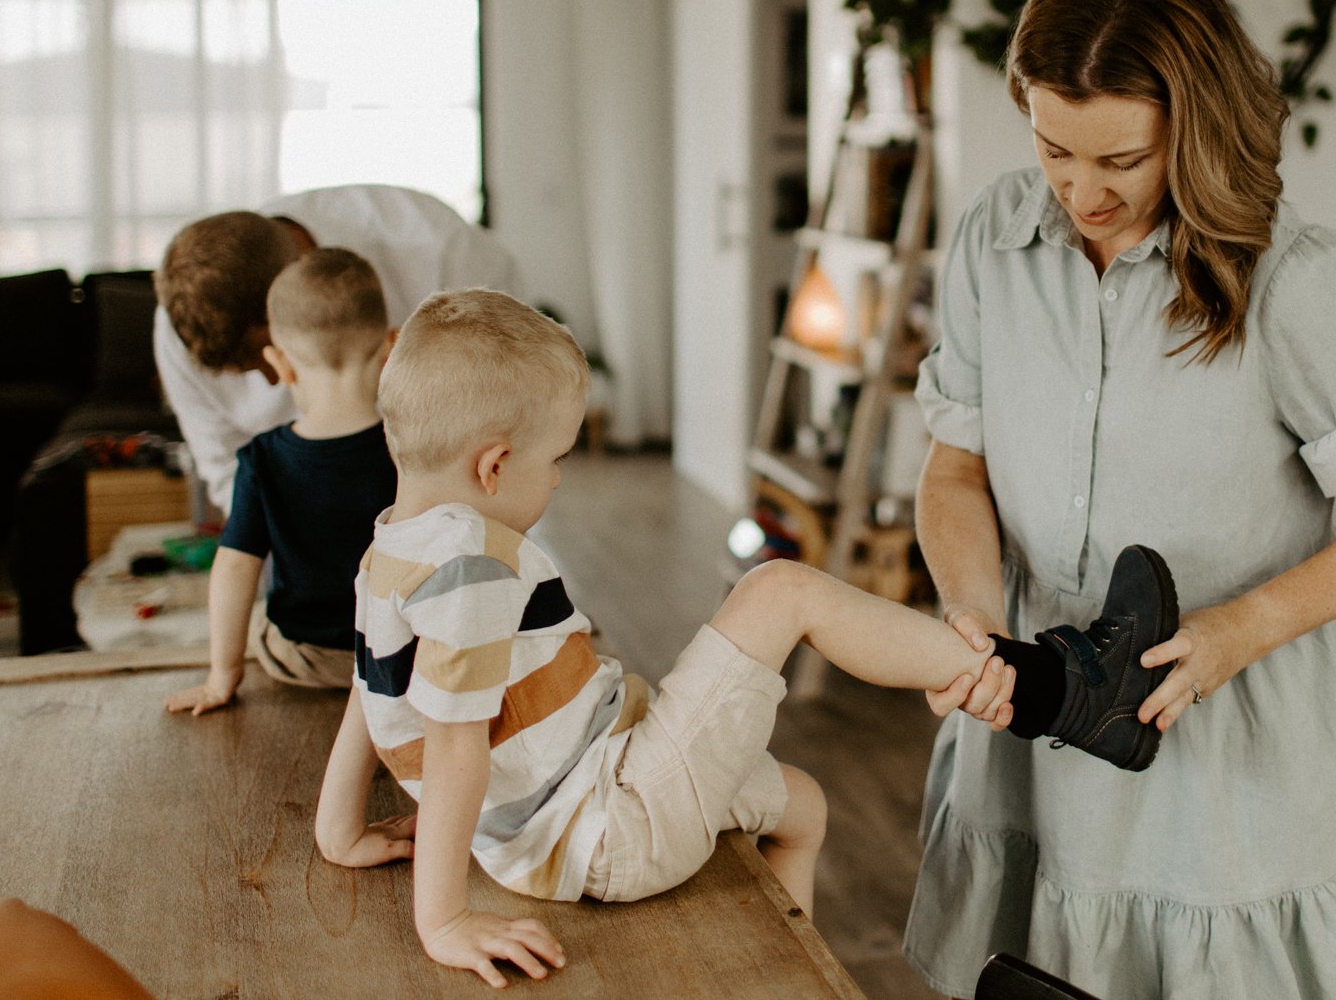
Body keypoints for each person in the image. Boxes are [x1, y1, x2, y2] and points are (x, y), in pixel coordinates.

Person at [312, 289, 1179, 988]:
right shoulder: (470, 565)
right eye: (557, 460)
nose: (560, 479)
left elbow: (369, 691)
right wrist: (444, 919)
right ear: (495, 465)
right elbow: (454, 744)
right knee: (780, 591)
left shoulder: (392, 550)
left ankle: (788, 981)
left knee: (802, 806)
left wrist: (339, 831)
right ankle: (1064, 688)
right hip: (608, 818)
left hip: (577, 810)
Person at [903, 0, 1336, 1000]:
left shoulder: (1296, 282)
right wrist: (974, 619)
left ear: (1197, 125)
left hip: (1216, 750)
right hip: (1036, 724)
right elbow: (956, 469)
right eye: (1053, 148)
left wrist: (1237, 630)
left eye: (1121, 159)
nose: (1081, 190)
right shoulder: (995, 237)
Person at [153, 184, 520, 516]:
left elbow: (509, 414)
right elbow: (226, 469)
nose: (275, 381)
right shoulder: (180, 327)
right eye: (245, 371)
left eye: (270, 352)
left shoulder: (438, 249)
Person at [164, 248, 399, 714]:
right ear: (391, 347)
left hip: (309, 659)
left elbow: (235, 568)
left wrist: (222, 675)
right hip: (401, 658)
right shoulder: (413, 448)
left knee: (259, 621)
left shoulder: (262, 460)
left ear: (280, 364)